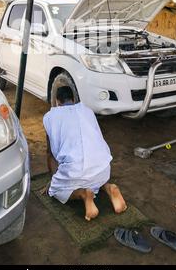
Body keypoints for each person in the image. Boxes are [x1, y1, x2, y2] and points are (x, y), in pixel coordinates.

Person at [43, 86, 127, 221]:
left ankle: (83, 194)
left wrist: (52, 181)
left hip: (76, 171)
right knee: (93, 177)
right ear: (74, 99)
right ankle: (109, 187)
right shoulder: (87, 111)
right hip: (103, 168)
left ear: (57, 101)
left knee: (55, 191)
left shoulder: (50, 117)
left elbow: (50, 153)